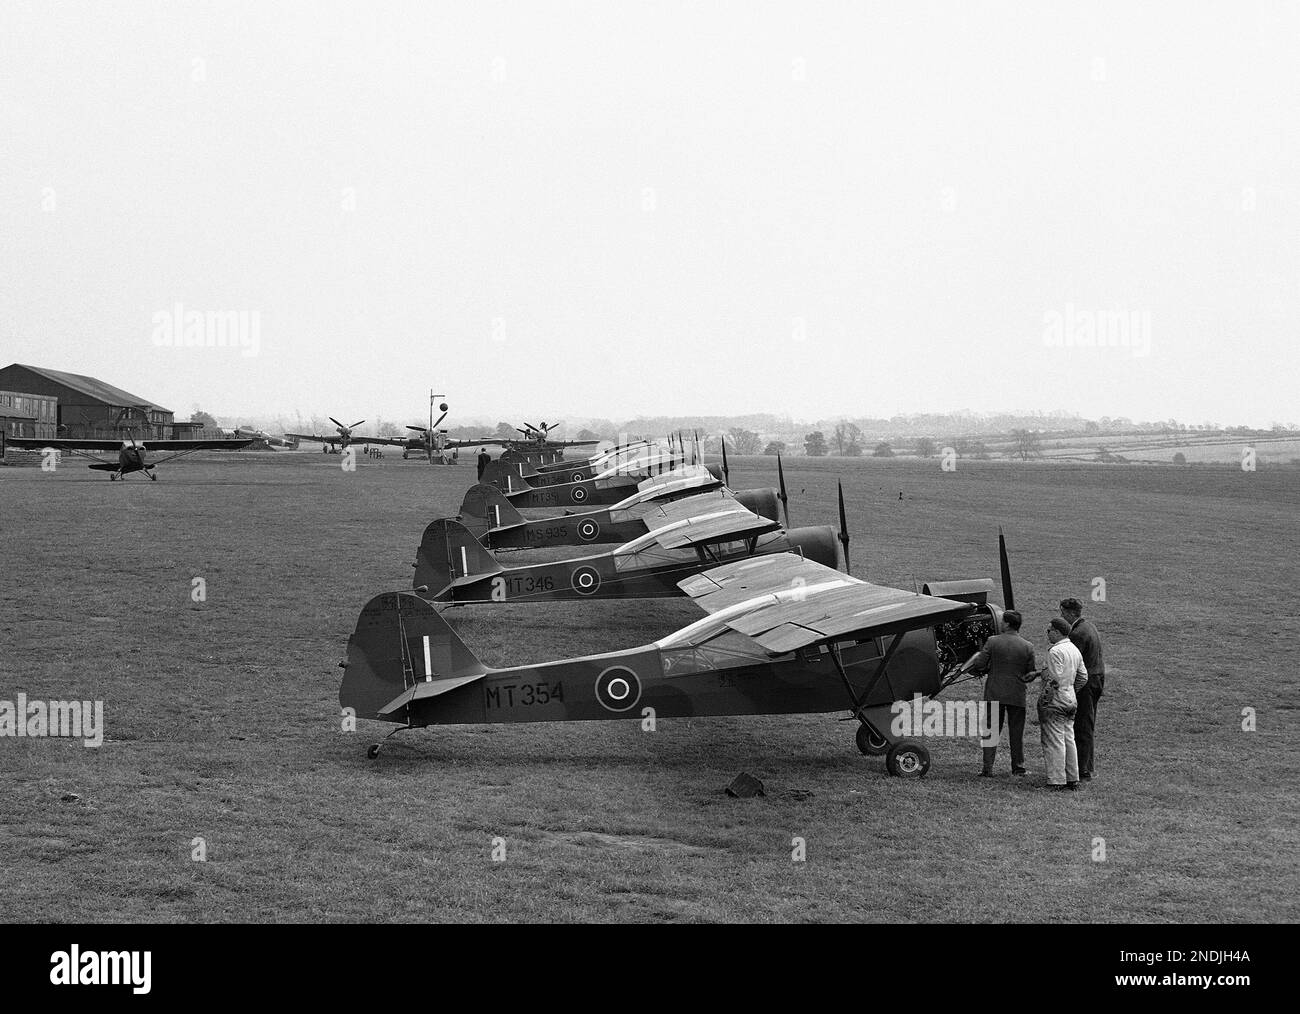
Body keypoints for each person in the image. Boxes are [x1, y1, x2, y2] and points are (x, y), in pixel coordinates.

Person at [959, 610, 1036, 776]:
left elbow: (980, 663)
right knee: (1017, 733)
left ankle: (987, 768)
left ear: (1007, 624)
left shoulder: (993, 641)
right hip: (1017, 694)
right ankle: (1018, 767)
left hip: (995, 692)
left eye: (1002, 621)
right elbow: (1030, 672)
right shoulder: (1028, 646)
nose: (1000, 623)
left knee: (991, 732)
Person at [1026, 618, 1088, 790]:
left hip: (1055, 699)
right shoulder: (1074, 649)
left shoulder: (1055, 652)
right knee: (1069, 738)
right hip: (1071, 697)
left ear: (1057, 632)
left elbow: (1054, 679)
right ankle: (1072, 778)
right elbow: (1083, 676)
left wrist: (1046, 698)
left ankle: (1056, 780)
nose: (1047, 634)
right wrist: (1071, 690)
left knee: (1053, 740)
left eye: (1049, 631)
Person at [1060, 597, 1105, 781]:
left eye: (1062, 612)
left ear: (1071, 613)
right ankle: (1087, 765)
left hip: (1086, 683)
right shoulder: (1089, 626)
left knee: (1082, 726)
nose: (1061, 616)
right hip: (1097, 678)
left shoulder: (1077, 634)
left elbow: (1071, 662)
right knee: (1088, 723)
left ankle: (1082, 769)